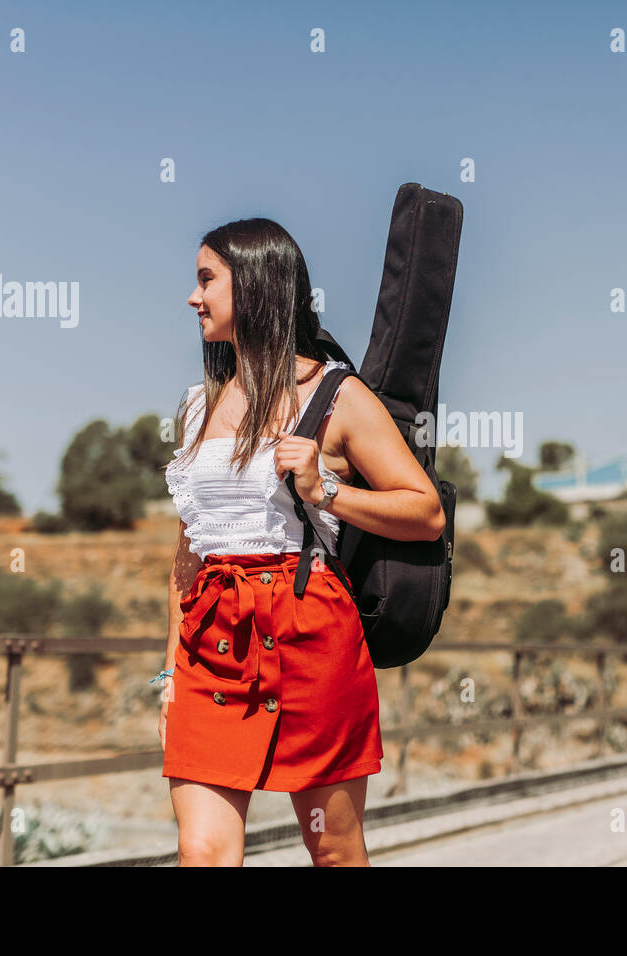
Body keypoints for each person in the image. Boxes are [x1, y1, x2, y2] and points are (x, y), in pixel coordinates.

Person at [157, 218, 445, 866]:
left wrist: (326, 490)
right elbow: (186, 554)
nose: (192, 297)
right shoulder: (195, 407)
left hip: (309, 633)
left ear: (256, 284)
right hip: (213, 643)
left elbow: (424, 512)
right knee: (201, 852)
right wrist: (169, 675)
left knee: (335, 852)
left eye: (207, 280)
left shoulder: (338, 396)